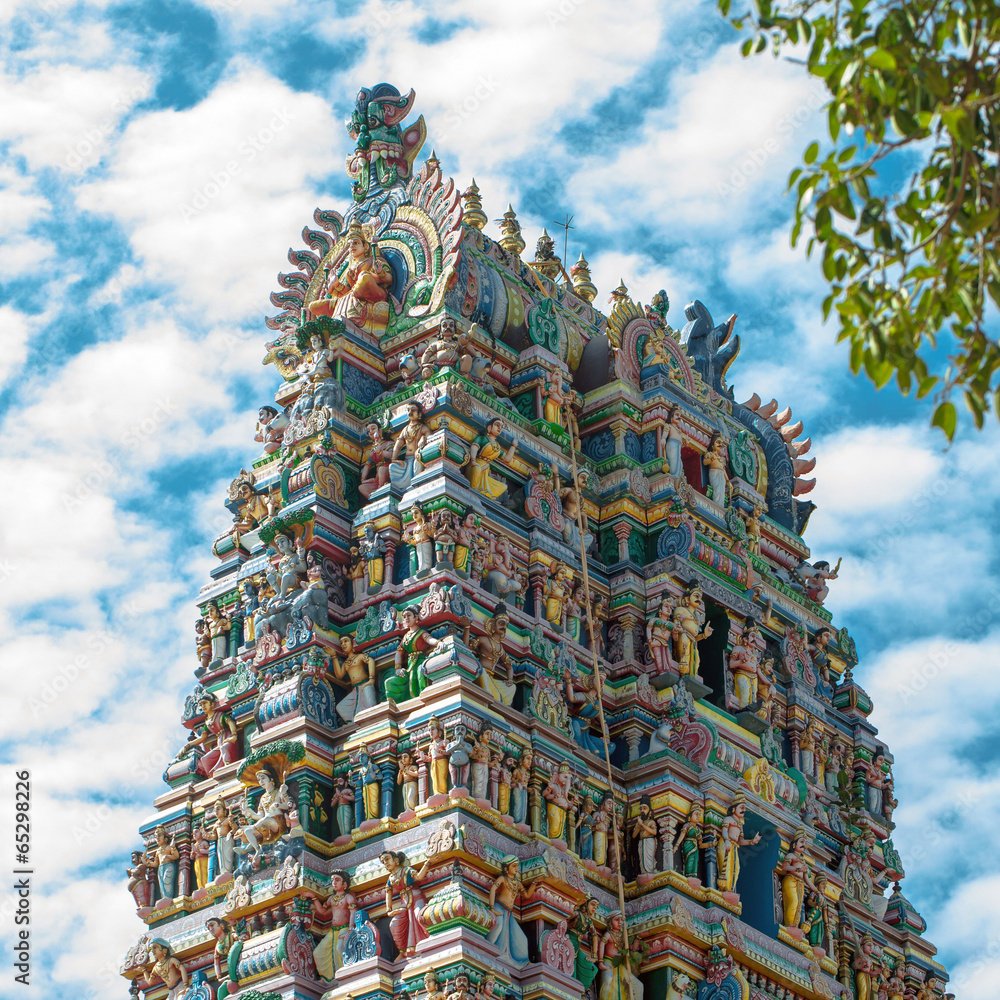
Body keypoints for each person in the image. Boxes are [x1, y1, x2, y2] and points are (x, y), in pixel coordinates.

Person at [307, 219, 393, 336]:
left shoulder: (373, 260)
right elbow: (349, 292)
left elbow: (389, 279)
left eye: (356, 243)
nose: (351, 246)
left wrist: (379, 273)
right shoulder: (349, 272)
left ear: (366, 246)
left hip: (373, 292)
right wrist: (336, 284)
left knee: (364, 278)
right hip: (354, 296)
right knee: (314, 306)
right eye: (349, 244)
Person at [381, 849, 432, 957]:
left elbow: (419, 877)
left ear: (396, 860)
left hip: (416, 897)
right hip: (404, 902)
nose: (385, 862)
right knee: (394, 925)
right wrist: (389, 910)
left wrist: (428, 862)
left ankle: (431, 938)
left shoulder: (406, 870)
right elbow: (388, 893)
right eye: (383, 861)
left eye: (387, 859)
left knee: (419, 916)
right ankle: (403, 951)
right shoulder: (390, 879)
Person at [487, 855, 535, 966]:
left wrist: (534, 883)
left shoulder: (517, 883)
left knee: (522, 938)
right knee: (498, 926)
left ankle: (522, 961)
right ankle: (488, 948)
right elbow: (493, 889)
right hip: (499, 906)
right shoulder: (503, 879)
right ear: (506, 868)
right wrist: (492, 908)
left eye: (517, 866)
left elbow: (527, 895)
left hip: (509, 912)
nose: (516, 868)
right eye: (514, 866)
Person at [307, 871, 357, 979]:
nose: (334, 882)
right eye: (332, 880)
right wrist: (313, 897)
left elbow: (353, 912)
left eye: (337, 880)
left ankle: (348, 972)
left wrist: (350, 930)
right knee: (318, 952)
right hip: (333, 930)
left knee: (340, 948)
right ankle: (327, 979)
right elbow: (322, 911)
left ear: (344, 884)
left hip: (344, 928)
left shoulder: (348, 897)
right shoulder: (331, 899)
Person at [384, 607, 440, 702]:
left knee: (420, 675)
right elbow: (399, 652)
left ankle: (425, 699)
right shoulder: (406, 636)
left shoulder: (420, 632)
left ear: (416, 617)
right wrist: (398, 668)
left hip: (421, 661)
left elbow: (429, 639)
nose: (406, 618)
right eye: (404, 616)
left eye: (409, 615)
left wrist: (438, 643)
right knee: (389, 683)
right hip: (410, 666)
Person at [238, 763, 292, 855]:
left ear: (271, 779)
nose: (261, 781)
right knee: (247, 831)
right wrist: (247, 810)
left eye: (263, 778)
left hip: (277, 824)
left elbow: (287, 805)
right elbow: (259, 816)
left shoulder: (278, 792)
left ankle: (252, 832)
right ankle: (257, 850)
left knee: (266, 819)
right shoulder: (262, 798)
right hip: (265, 825)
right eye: (259, 779)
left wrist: (278, 804)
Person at [465, 417, 516, 499]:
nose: (499, 428)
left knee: (503, 487)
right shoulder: (483, 438)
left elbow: (507, 459)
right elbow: (474, 447)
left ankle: (482, 492)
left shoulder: (497, 446)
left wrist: (513, 446)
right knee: (477, 469)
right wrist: (473, 460)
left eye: (501, 427)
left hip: (485, 470)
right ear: (489, 427)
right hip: (476, 465)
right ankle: (472, 491)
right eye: (497, 425)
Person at [597, 912, 644, 1000]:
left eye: (621, 920)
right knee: (608, 980)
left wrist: (638, 937)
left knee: (638, 985)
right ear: (610, 923)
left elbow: (632, 949)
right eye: (616, 920)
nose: (620, 922)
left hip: (620, 965)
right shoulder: (608, 934)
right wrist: (600, 962)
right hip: (609, 961)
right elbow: (602, 944)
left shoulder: (623, 937)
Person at [190, 692, 238, 777]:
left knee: (224, 748)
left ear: (211, 704)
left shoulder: (220, 715)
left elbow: (230, 722)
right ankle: (213, 777)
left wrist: (234, 736)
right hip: (219, 741)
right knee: (205, 759)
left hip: (227, 737)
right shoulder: (207, 721)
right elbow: (202, 737)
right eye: (201, 704)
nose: (203, 706)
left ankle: (229, 770)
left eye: (205, 703)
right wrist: (188, 746)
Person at [331, 633, 377, 722]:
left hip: (365, 685)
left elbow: (371, 661)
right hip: (355, 690)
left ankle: (374, 721)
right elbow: (339, 675)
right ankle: (353, 723)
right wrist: (333, 656)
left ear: (352, 643)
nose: (343, 644)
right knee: (340, 707)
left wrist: (371, 679)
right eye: (341, 643)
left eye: (346, 641)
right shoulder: (345, 663)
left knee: (371, 708)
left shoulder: (359, 656)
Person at [389, 401, 430, 490]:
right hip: (406, 460)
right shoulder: (405, 430)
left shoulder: (423, 428)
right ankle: (398, 488)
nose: (410, 412)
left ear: (419, 414)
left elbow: (430, 439)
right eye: (408, 410)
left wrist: (424, 440)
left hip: (417, 457)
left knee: (417, 466)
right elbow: (398, 445)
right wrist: (394, 459)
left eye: (413, 410)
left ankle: (416, 486)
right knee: (392, 467)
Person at [631, 795, 658, 875]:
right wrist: (638, 826)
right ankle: (644, 873)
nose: (642, 810)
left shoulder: (651, 822)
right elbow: (634, 835)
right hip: (641, 842)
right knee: (642, 860)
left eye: (644, 808)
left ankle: (649, 872)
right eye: (641, 809)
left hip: (649, 842)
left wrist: (642, 825)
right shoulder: (639, 823)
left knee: (649, 860)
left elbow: (654, 832)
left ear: (649, 811)